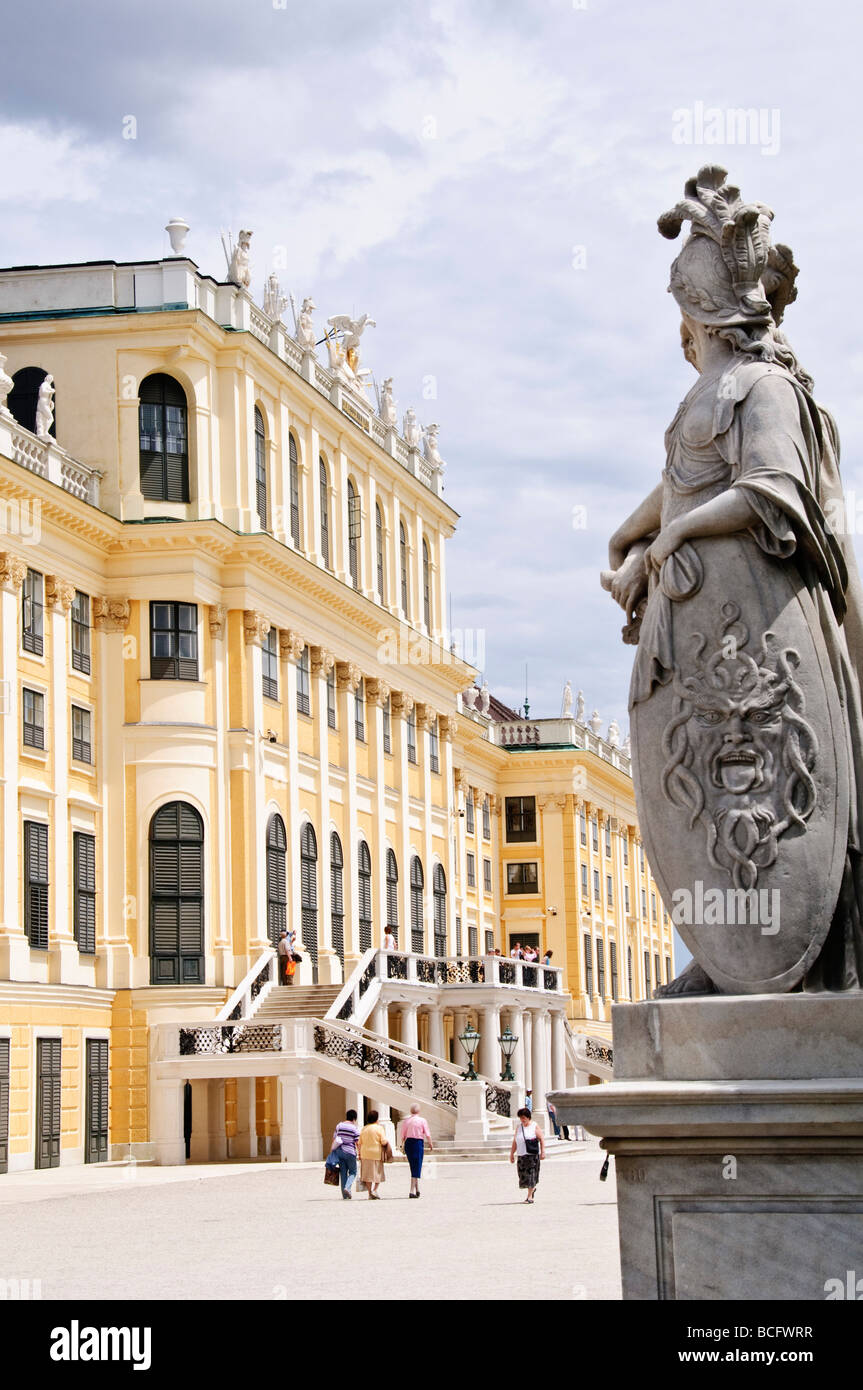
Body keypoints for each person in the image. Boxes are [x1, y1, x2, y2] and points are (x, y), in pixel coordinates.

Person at [510, 1105, 545, 1203]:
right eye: (520, 1118)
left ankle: (529, 1197)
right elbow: (515, 1141)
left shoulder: (534, 1126)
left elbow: (541, 1139)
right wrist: (512, 1154)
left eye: (523, 1118)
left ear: (528, 1117)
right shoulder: (519, 1127)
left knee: (531, 1175)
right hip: (521, 1155)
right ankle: (532, 1190)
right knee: (523, 1176)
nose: (522, 1120)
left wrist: (543, 1151)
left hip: (532, 1155)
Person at [398, 1103, 432, 1198]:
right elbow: (427, 1133)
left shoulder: (406, 1121)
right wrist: (430, 1142)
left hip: (409, 1143)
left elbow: (403, 1135)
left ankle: (417, 1189)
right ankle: (411, 1191)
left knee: (414, 1165)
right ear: (419, 1111)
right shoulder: (422, 1120)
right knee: (416, 1165)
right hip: (417, 1143)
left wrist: (402, 1144)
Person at [330, 1108, 361, 1199]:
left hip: (340, 1152)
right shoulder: (354, 1128)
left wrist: (332, 1152)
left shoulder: (339, 1126)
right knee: (353, 1172)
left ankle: (345, 1195)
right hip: (350, 1152)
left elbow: (334, 1139)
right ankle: (347, 1188)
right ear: (354, 1119)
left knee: (343, 1173)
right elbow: (357, 1142)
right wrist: (360, 1153)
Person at [358, 1109, 389, 1198]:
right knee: (377, 1173)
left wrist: (359, 1153)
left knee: (368, 1175)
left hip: (365, 1154)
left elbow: (359, 1142)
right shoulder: (379, 1128)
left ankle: (369, 1193)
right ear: (376, 1119)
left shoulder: (364, 1128)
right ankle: (375, 1190)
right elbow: (383, 1141)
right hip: (376, 1153)